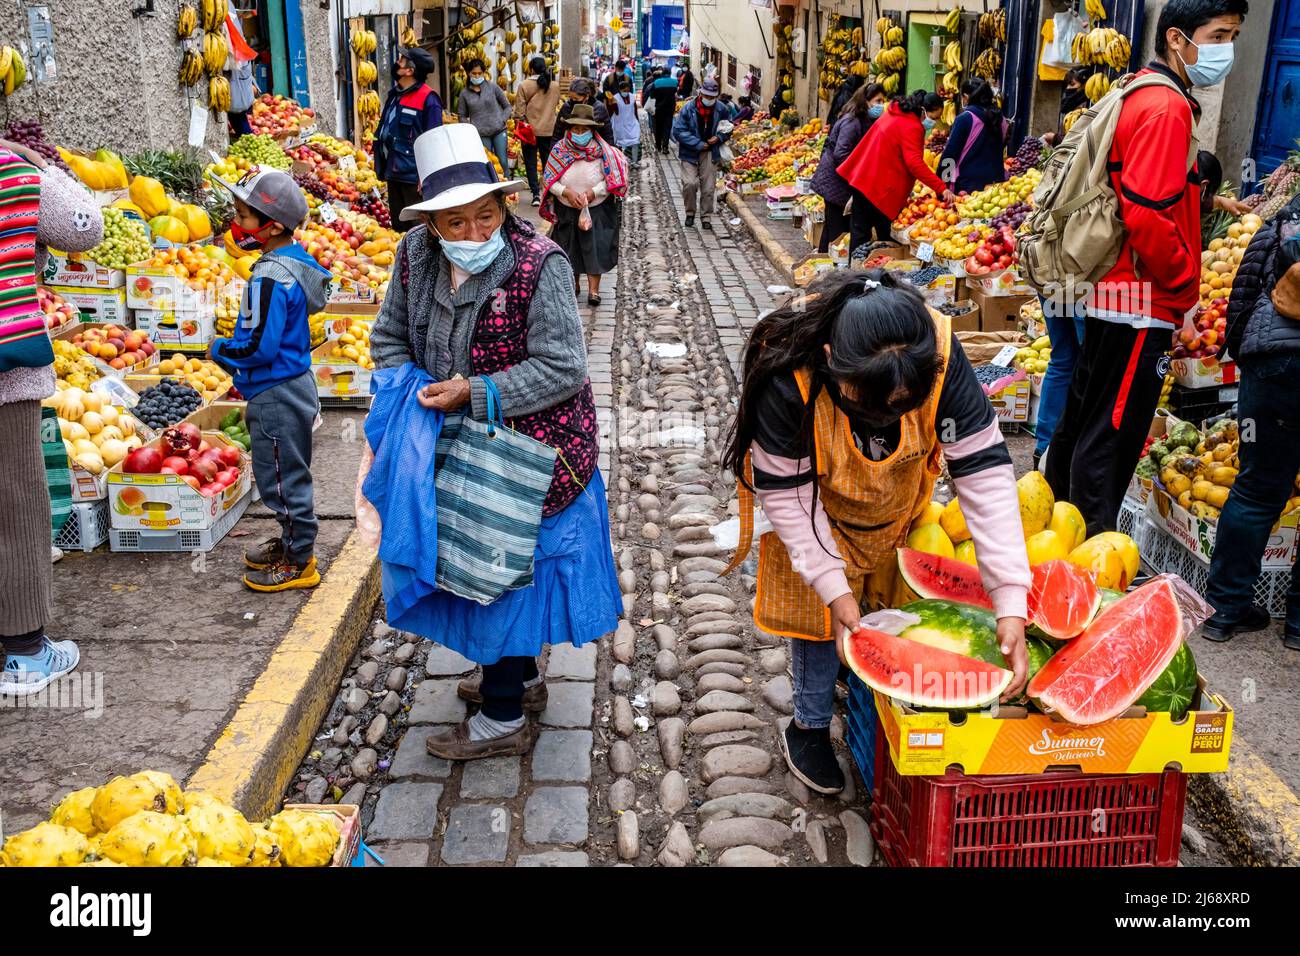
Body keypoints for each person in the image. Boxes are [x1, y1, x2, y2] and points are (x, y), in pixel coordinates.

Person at [722, 271, 1031, 793]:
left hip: (893, 503)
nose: (889, 418)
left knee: (875, 613)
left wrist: (1010, 598)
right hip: (813, 506)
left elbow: (983, 476)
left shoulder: (939, 351)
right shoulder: (787, 377)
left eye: (906, 405)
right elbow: (792, 504)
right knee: (821, 622)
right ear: (829, 358)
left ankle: (857, 685)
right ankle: (809, 724)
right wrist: (834, 588)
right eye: (868, 403)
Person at [368, 124, 620, 759]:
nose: (475, 234)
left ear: (507, 205)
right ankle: (520, 679)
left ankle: (503, 718)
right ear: (430, 224)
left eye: (486, 215)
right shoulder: (413, 258)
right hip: (452, 444)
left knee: (505, 571)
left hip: (532, 454)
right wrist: (412, 389)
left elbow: (563, 367)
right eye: (455, 223)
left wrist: (472, 392)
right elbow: (389, 336)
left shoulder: (542, 265)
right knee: (482, 569)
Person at [1044, 0, 1248, 537]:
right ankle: (1090, 550)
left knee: (1086, 416)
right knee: (1114, 431)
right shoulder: (1167, 107)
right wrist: (1183, 288)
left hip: (1114, 292)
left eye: (1234, 35)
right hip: (1140, 299)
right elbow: (1148, 213)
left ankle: (1055, 528)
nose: (1227, 48)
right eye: (1220, 34)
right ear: (1178, 39)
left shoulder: (1139, 89)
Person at [0, 140, 102, 696]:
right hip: (4, 370)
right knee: (15, 504)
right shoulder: (11, 170)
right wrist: (42, 166)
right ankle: (26, 654)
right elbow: (85, 226)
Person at [209, 169, 330, 591]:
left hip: (274, 392)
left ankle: (301, 562)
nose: (236, 224)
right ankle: (293, 542)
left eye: (242, 216)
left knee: (280, 479)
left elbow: (257, 346)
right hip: (294, 383)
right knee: (287, 471)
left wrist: (218, 349)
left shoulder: (267, 278)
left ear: (271, 226)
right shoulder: (295, 263)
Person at [1200, 195, 1297, 645]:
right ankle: (1297, 626)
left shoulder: (1290, 214)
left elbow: (1242, 289)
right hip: (1273, 361)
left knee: (1256, 490)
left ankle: (1223, 610)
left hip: (1274, 364)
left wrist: (1245, 358)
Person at [838, 91, 952, 254]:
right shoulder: (912, 126)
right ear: (923, 110)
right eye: (933, 117)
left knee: (859, 237)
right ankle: (876, 275)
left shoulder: (893, 113)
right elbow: (914, 163)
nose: (933, 123)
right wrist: (941, 187)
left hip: (865, 180)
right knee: (886, 241)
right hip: (879, 189)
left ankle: (855, 273)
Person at [542, 104, 629, 306]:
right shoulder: (559, 150)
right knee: (568, 247)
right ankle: (573, 284)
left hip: (596, 206)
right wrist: (566, 192)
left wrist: (593, 193)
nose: (579, 133)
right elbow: (548, 180)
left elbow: (613, 179)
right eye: (576, 129)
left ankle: (594, 291)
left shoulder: (605, 152)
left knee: (595, 246)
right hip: (567, 206)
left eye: (584, 130)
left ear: (592, 130)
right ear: (569, 129)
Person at [810, 83, 885, 254]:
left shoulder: (863, 120)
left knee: (831, 231)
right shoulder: (852, 121)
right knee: (838, 232)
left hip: (839, 181)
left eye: (883, 100)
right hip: (837, 182)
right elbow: (841, 153)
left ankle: (822, 265)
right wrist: (858, 177)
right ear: (865, 101)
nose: (881, 105)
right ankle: (834, 270)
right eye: (877, 100)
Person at [375, 47, 444, 232]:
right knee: (399, 228)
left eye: (401, 60)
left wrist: (427, 176)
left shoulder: (428, 99)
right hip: (394, 172)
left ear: (409, 70)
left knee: (419, 230)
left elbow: (435, 141)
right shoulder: (395, 95)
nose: (397, 62)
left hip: (414, 179)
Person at [672, 77, 733, 229]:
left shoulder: (722, 109)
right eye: (706, 96)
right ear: (701, 94)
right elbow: (678, 131)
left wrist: (719, 137)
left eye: (712, 97)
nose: (709, 99)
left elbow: (727, 128)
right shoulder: (688, 108)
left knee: (708, 187)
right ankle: (690, 213)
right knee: (689, 183)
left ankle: (706, 217)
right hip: (690, 151)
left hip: (710, 152)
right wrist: (699, 143)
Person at [939, 78, 1008, 194]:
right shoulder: (1001, 119)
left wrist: (942, 185)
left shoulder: (965, 119)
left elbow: (950, 155)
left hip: (968, 188)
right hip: (997, 188)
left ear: (965, 97)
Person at [514, 55, 562, 207]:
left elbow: (519, 112)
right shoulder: (554, 86)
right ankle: (549, 193)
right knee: (548, 163)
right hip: (549, 131)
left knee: (530, 163)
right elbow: (556, 105)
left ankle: (535, 194)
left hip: (530, 132)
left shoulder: (524, 85)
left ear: (531, 69)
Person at [456, 58, 512, 177]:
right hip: (480, 134)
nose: (477, 76)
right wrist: (470, 128)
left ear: (484, 73)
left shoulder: (493, 87)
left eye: (479, 73)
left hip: (499, 131)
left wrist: (502, 119)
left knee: (502, 162)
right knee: (487, 164)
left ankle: (508, 191)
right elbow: (461, 115)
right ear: (468, 73)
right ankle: (493, 192)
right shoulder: (464, 94)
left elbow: (507, 106)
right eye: (474, 73)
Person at [558, 76, 615, 144]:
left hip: (594, 150)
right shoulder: (567, 107)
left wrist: (609, 151)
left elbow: (607, 135)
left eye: (576, 99)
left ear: (586, 96)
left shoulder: (599, 108)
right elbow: (557, 133)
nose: (573, 100)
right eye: (570, 98)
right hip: (568, 149)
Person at [1042, 67, 1090, 146]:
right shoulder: (1071, 110)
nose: (1068, 89)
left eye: (1072, 84)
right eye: (1067, 85)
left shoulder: (1088, 106)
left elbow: (1077, 139)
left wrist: (1055, 138)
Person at [610, 76, 643, 167]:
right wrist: (611, 103)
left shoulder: (632, 97)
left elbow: (635, 109)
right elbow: (615, 111)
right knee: (620, 143)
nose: (626, 92)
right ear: (620, 90)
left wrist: (637, 121)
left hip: (632, 122)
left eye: (627, 90)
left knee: (635, 141)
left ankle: (635, 161)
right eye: (624, 90)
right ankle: (620, 161)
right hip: (620, 123)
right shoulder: (615, 98)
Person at [646, 68, 679, 154]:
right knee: (667, 127)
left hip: (659, 108)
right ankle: (665, 147)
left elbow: (652, 95)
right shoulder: (675, 82)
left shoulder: (656, 82)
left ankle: (658, 146)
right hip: (670, 108)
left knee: (658, 127)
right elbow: (675, 92)